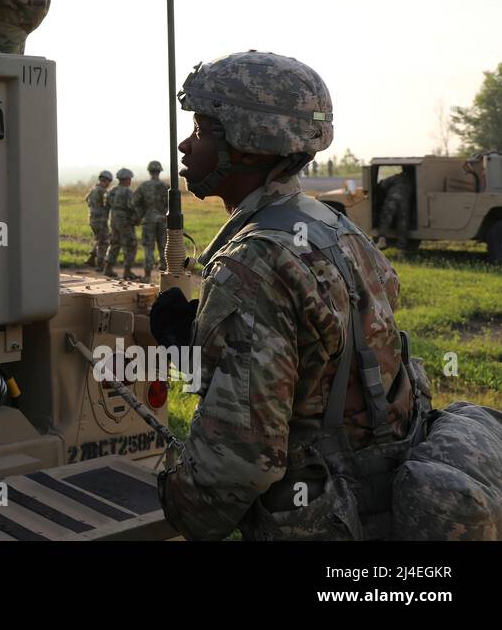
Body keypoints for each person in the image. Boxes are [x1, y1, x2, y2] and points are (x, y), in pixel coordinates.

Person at [149, 50, 430, 541]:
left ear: (252, 146)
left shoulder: (255, 260)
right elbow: (328, 357)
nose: (185, 146)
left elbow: (240, 461)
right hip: (380, 495)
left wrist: (178, 505)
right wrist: (206, 341)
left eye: (201, 130)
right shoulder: (331, 224)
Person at [134, 160, 169, 280]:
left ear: (149, 171)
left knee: (148, 247)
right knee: (164, 246)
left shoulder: (144, 186)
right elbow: (173, 204)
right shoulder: (166, 186)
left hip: (148, 219)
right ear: (160, 171)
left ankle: (147, 275)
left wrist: (141, 214)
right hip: (163, 220)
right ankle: (166, 274)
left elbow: (135, 202)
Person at [103, 168, 139, 279]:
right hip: (125, 221)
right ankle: (127, 271)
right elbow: (132, 207)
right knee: (130, 245)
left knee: (114, 243)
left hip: (112, 219)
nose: (130, 181)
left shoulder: (111, 190)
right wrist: (137, 218)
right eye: (129, 179)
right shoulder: (128, 192)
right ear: (127, 179)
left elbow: (106, 204)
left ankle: (108, 268)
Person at [376, 168, 414, 249]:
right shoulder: (413, 180)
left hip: (392, 200)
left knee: (385, 219)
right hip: (404, 202)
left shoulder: (397, 177)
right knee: (403, 223)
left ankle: (382, 240)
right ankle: (402, 246)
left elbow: (382, 185)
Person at [85, 170, 112, 268]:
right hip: (100, 220)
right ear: (106, 180)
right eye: (109, 182)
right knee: (103, 242)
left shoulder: (93, 189)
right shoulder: (102, 191)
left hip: (92, 219)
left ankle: (91, 259)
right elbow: (108, 203)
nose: (109, 184)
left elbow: (87, 200)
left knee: (99, 239)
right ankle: (100, 265)